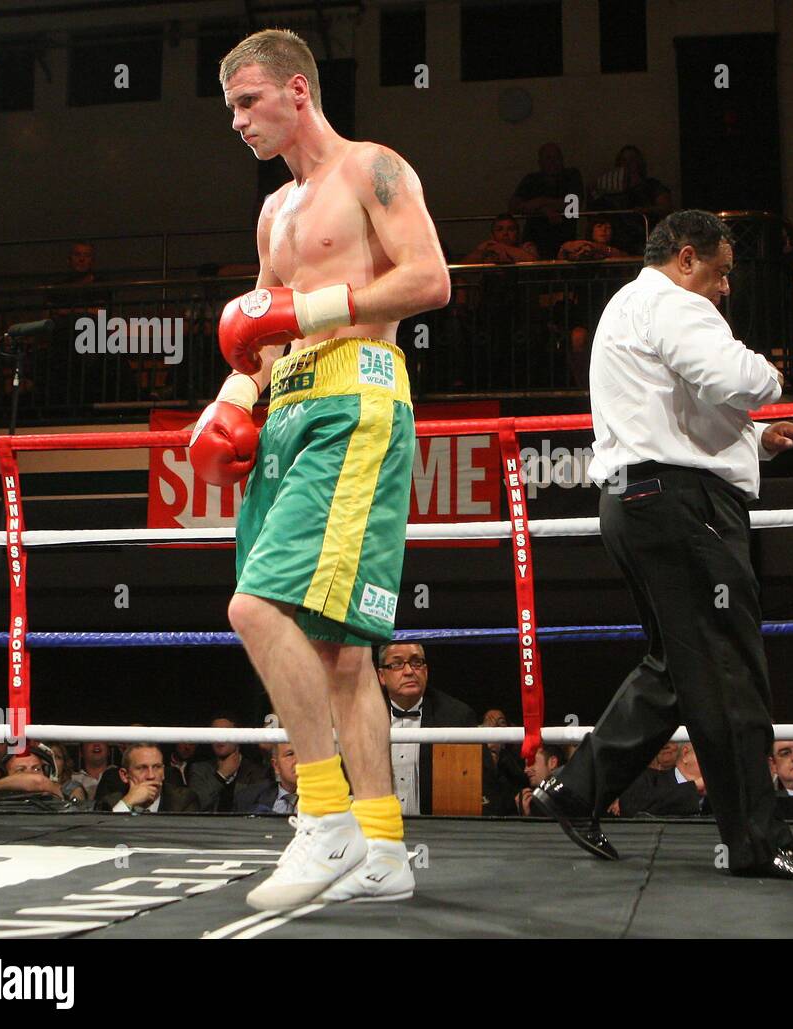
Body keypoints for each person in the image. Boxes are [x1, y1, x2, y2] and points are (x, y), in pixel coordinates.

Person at [194, 28, 450, 910]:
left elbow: (429, 279)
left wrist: (312, 304)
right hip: (288, 409)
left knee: (254, 605)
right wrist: (228, 401)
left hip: (357, 397)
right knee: (342, 653)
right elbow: (262, 335)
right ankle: (382, 848)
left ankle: (326, 813)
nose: (237, 122)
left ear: (298, 90)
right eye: (230, 107)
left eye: (248, 102)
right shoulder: (274, 212)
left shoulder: (375, 168)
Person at [531, 209, 793, 881]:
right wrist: (775, 377)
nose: (725, 289)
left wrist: (756, 439)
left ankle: (575, 788)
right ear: (688, 256)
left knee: (680, 668)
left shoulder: (630, 306)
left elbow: (675, 412)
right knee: (730, 672)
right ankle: (760, 842)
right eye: (722, 273)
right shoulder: (674, 302)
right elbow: (738, 380)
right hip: (679, 505)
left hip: (641, 501)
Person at [377, 641, 479, 815]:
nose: (409, 671)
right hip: (376, 830)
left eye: (416, 662)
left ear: (426, 670)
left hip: (436, 832)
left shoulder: (456, 717)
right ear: (381, 676)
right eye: (397, 664)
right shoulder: (362, 717)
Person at [509, 142, 584, 259]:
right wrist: (544, 210)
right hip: (534, 242)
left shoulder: (571, 176)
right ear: (540, 162)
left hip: (565, 240)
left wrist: (540, 202)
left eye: (556, 157)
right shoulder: (531, 180)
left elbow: (573, 205)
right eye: (548, 158)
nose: (553, 161)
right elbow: (514, 207)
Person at [96, 743, 200, 813]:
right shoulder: (109, 803)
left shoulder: (184, 801)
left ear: (163, 772)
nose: (151, 776)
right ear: (124, 775)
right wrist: (127, 803)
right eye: (142, 768)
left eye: (157, 767)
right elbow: (100, 839)